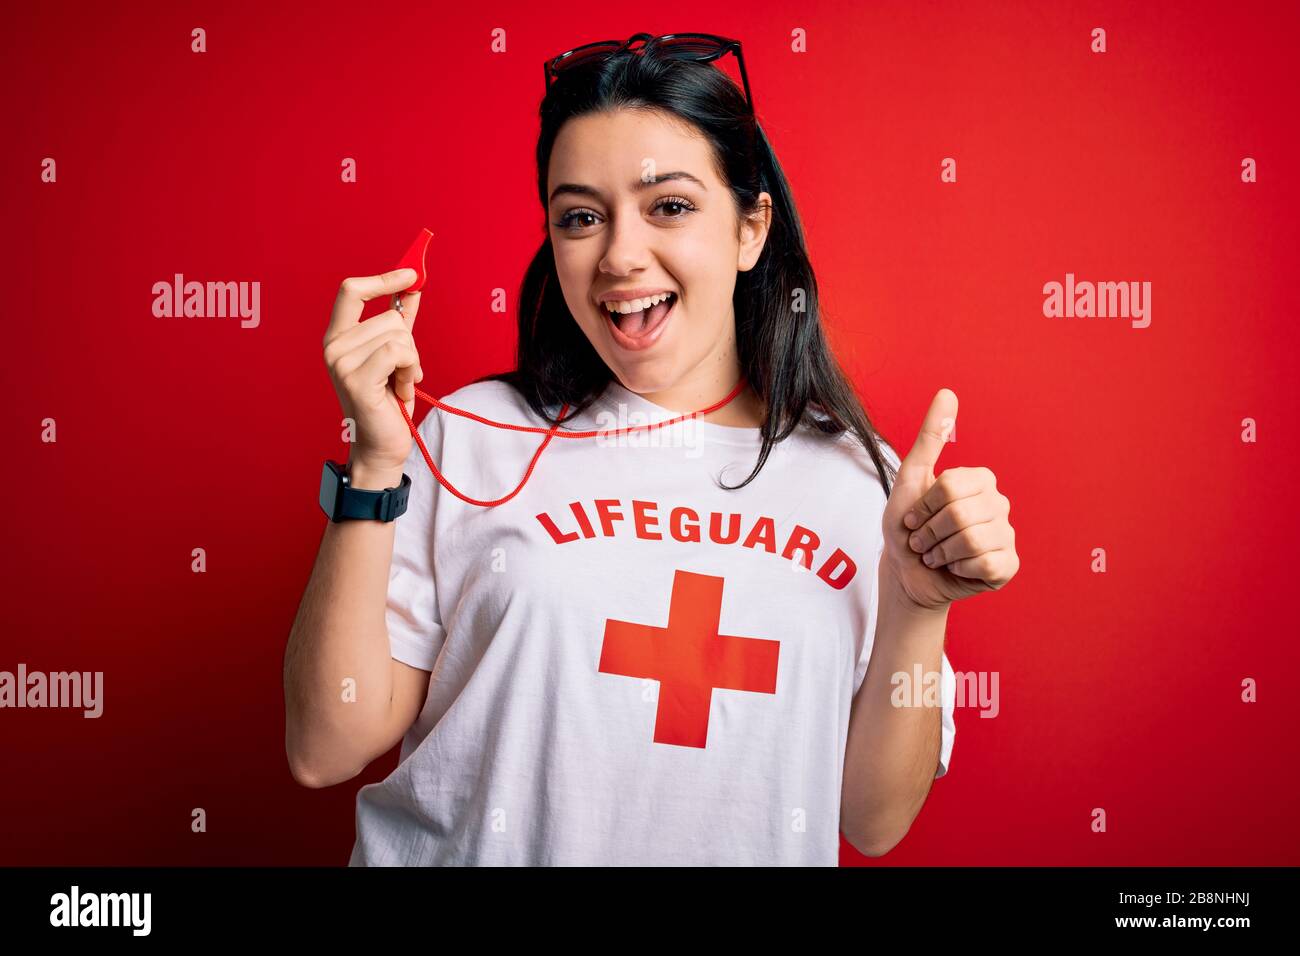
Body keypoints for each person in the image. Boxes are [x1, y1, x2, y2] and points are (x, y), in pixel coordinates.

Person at [284, 33, 1019, 865]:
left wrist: (919, 608)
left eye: (669, 206)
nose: (621, 256)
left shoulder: (862, 483)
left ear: (751, 229)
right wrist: (375, 471)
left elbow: (873, 820)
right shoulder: (470, 435)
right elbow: (324, 746)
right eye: (581, 217)